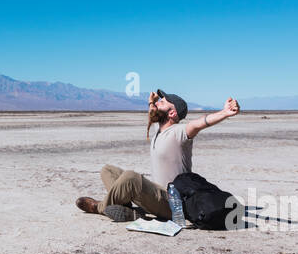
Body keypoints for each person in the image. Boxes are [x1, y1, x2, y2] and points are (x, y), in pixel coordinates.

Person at [75, 88, 241, 222]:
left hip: (172, 203)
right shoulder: (159, 130)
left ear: (172, 113)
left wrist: (225, 112)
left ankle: (99, 207)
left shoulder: (179, 132)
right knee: (107, 170)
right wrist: (151, 102)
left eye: (163, 102)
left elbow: (201, 123)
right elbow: (152, 114)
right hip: (155, 196)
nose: (158, 103)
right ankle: (128, 211)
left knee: (131, 178)